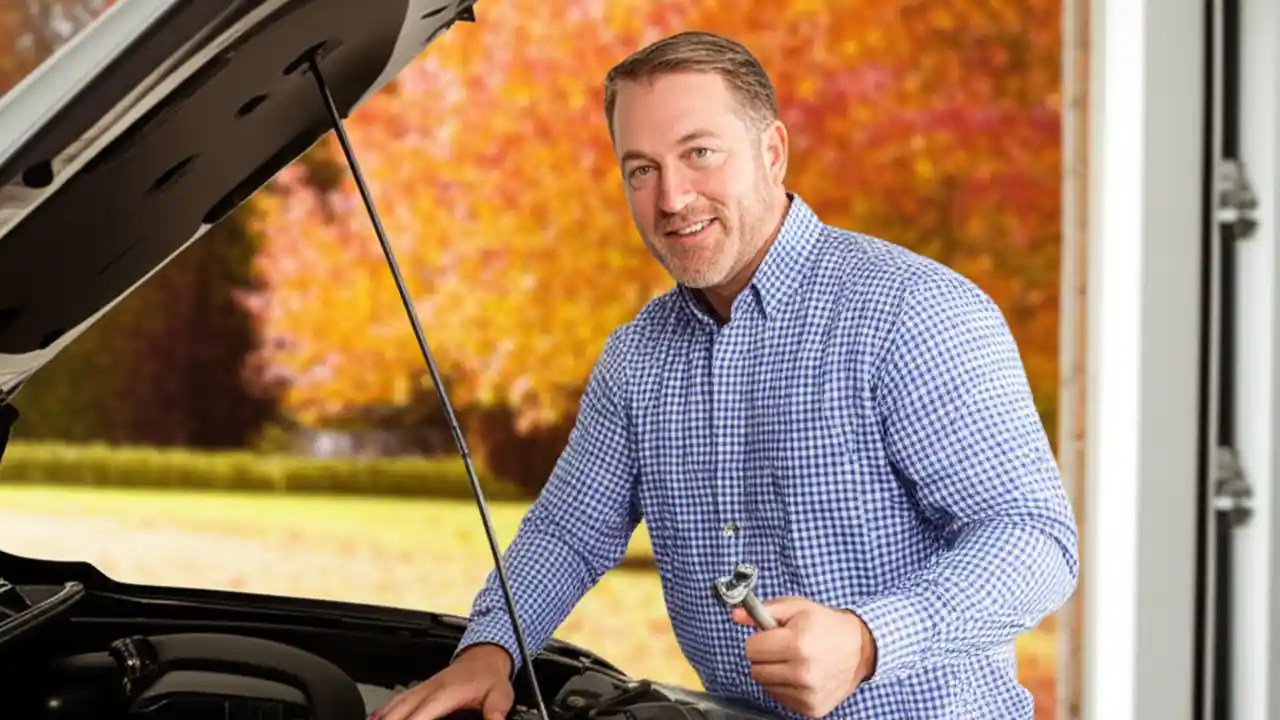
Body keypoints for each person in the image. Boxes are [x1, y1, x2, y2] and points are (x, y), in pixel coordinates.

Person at [373, 29, 1079, 720]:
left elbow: (1035, 539)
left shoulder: (911, 311)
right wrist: (489, 650)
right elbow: (569, 534)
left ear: (771, 152)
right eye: (641, 169)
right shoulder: (637, 357)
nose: (672, 198)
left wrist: (868, 641)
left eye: (700, 153)